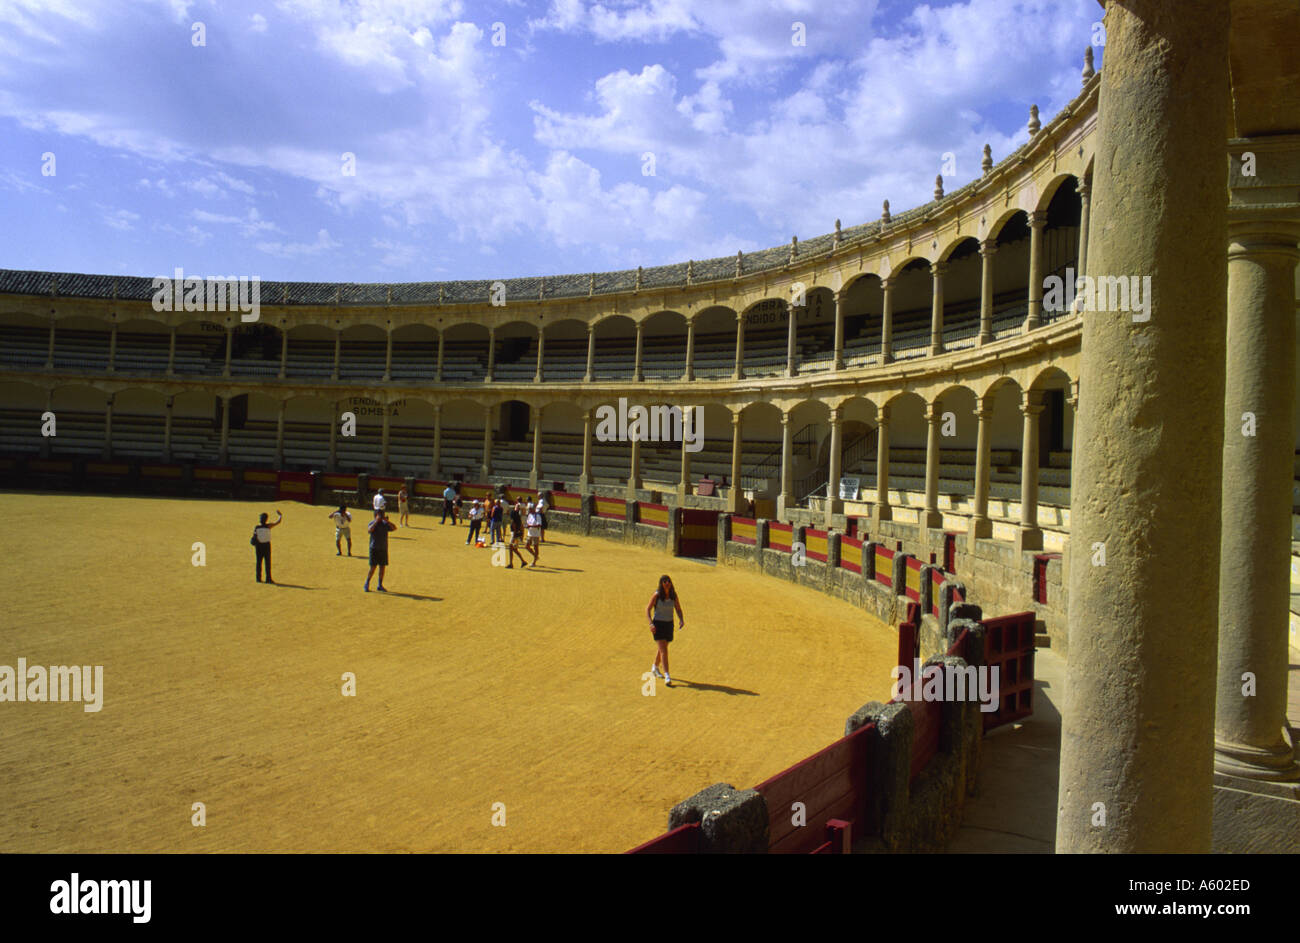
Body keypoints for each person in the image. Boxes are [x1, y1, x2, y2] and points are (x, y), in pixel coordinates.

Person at [645, 574, 684, 686]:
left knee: (663, 648)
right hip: (658, 625)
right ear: (661, 584)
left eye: (668, 581)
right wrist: (651, 624)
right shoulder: (657, 595)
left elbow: (678, 609)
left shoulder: (673, 595)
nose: (667, 583)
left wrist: (681, 619)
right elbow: (647, 609)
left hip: (669, 624)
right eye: (664, 582)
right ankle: (667, 675)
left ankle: (655, 667)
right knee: (664, 651)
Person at [365, 508, 397, 592]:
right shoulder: (372, 523)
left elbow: (394, 528)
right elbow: (369, 530)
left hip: (383, 548)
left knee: (382, 567)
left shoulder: (385, 524)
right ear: (376, 515)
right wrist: (376, 521)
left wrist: (387, 521)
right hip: (374, 548)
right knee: (373, 567)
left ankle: (380, 584)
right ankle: (367, 583)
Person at [252, 509, 283, 584]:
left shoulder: (257, 527)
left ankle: (258, 578)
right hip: (266, 546)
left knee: (259, 562)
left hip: (259, 546)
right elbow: (278, 522)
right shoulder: (268, 526)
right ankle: (268, 578)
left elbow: (254, 536)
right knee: (267, 562)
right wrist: (280, 515)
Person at [505, 500, 528, 569]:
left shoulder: (513, 513)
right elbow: (520, 525)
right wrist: (521, 534)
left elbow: (513, 524)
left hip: (514, 534)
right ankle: (523, 561)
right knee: (514, 549)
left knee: (511, 547)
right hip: (517, 534)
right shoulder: (518, 515)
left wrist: (515, 534)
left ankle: (511, 564)